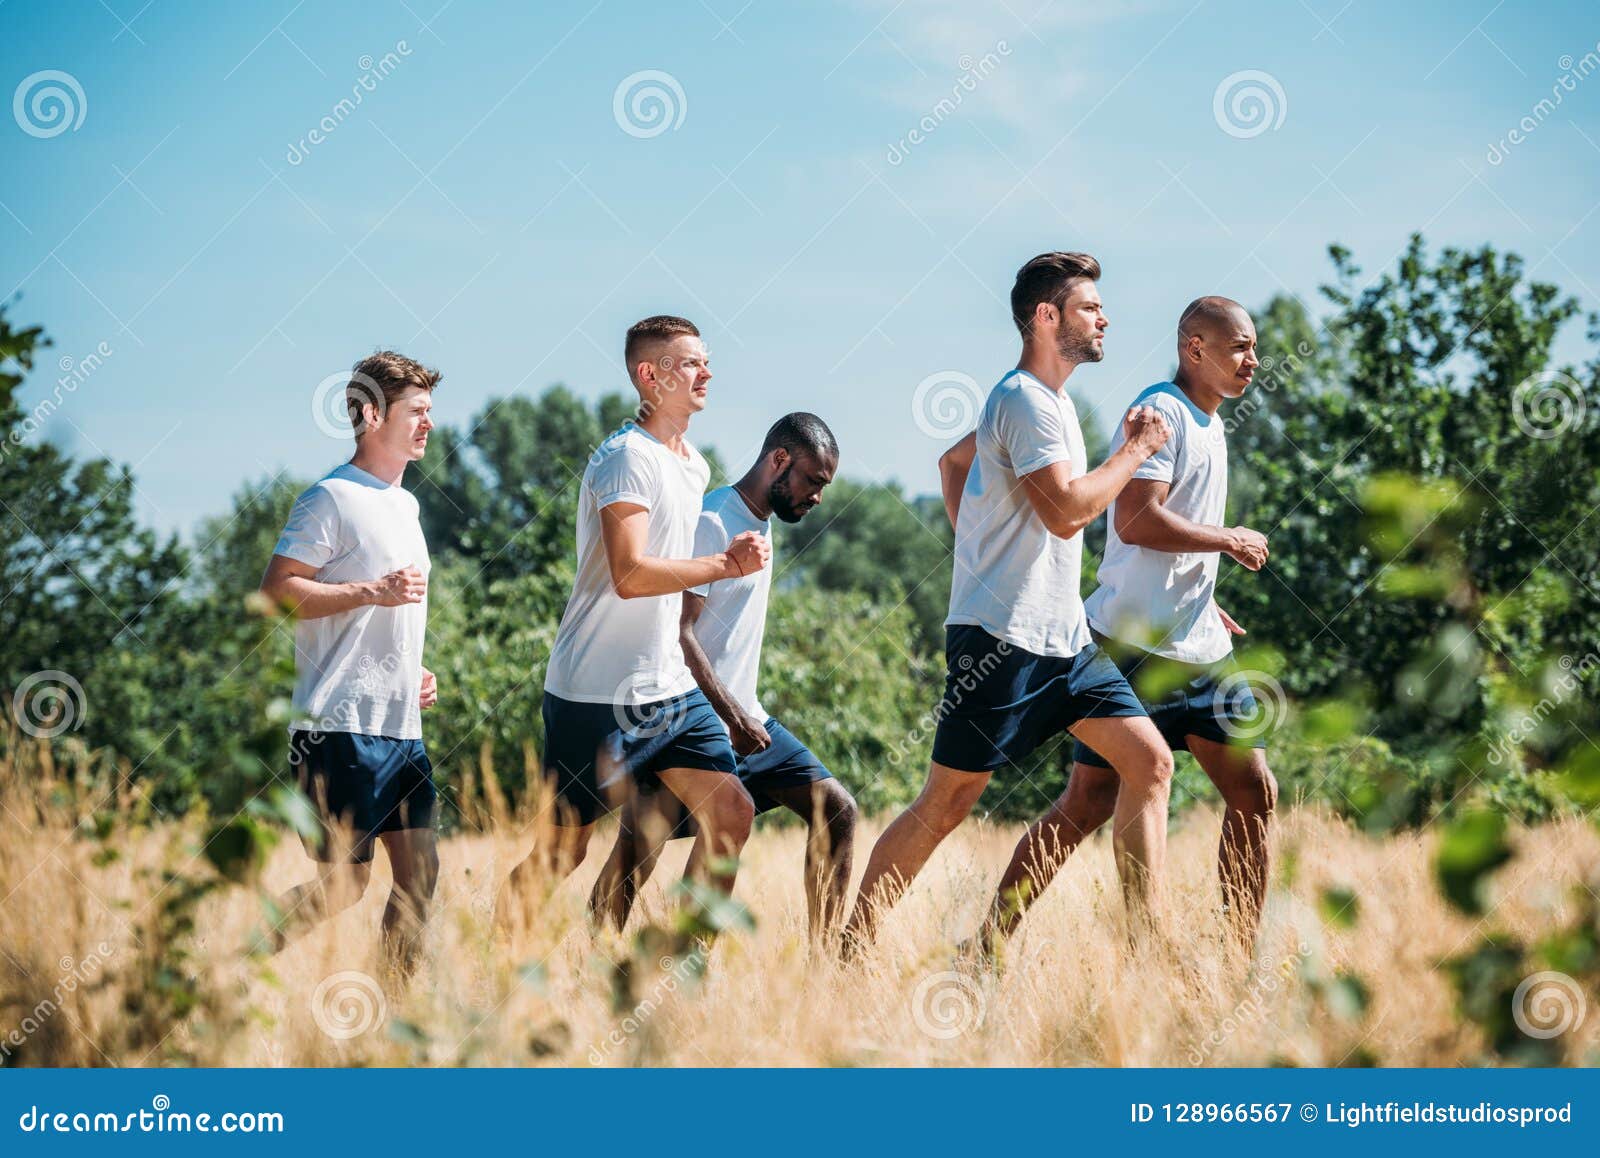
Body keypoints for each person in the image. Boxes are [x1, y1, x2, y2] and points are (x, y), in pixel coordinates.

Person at [843, 252, 1175, 953]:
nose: (1104, 317)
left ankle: (1146, 953)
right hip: (999, 641)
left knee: (1149, 763)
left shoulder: (1045, 403)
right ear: (1047, 317)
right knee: (947, 804)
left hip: (1066, 643)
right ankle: (851, 947)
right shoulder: (1023, 399)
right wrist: (1137, 450)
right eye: (1090, 307)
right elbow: (1067, 513)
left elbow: (953, 463)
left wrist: (980, 541)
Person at [981, 296, 1277, 951]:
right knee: (1086, 802)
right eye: (1239, 348)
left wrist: (1201, 594)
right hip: (1131, 648)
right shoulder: (1161, 413)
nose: (1253, 360)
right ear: (1194, 348)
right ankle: (992, 941)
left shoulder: (1212, 421)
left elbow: (1169, 537)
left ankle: (1236, 955)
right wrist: (1226, 541)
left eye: (1254, 348)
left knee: (1254, 791)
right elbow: (1137, 521)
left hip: (1200, 647)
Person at [497, 316, 771, 927]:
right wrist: (724, 564)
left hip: (670, 688)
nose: (707, 372)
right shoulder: (625, 459)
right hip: (594, 691)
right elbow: (630, 574)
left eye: (706, 360)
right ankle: (497, 965)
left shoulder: (694, 464)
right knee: (564, 850)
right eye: (691, 362)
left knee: (731, 812)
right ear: (650, 375)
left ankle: (675, 968)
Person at [589, 413, 857, 942]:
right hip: (687, 720)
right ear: (779, 460)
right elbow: (680, 632)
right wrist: (729, 717)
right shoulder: (711, 520)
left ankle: (826, 971)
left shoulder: (764, 524)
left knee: (838, 811)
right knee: (634, 861)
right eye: (813, 481)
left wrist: (742, 714)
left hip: (748, 719)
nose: (817, 497)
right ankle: (610, 970)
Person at [259, 351, 442, 967]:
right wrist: (371, 591)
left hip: (400, 727)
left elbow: (386, 616)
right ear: (370, 413)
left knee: (420, 877)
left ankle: (393, 1019)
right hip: (335, 728)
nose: (428, 424)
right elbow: (277, 592)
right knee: (345, 883)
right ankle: (230, 962)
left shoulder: (407, 505)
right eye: (416, 411)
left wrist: (408, 667)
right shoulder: (329, 497)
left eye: (430, 412)